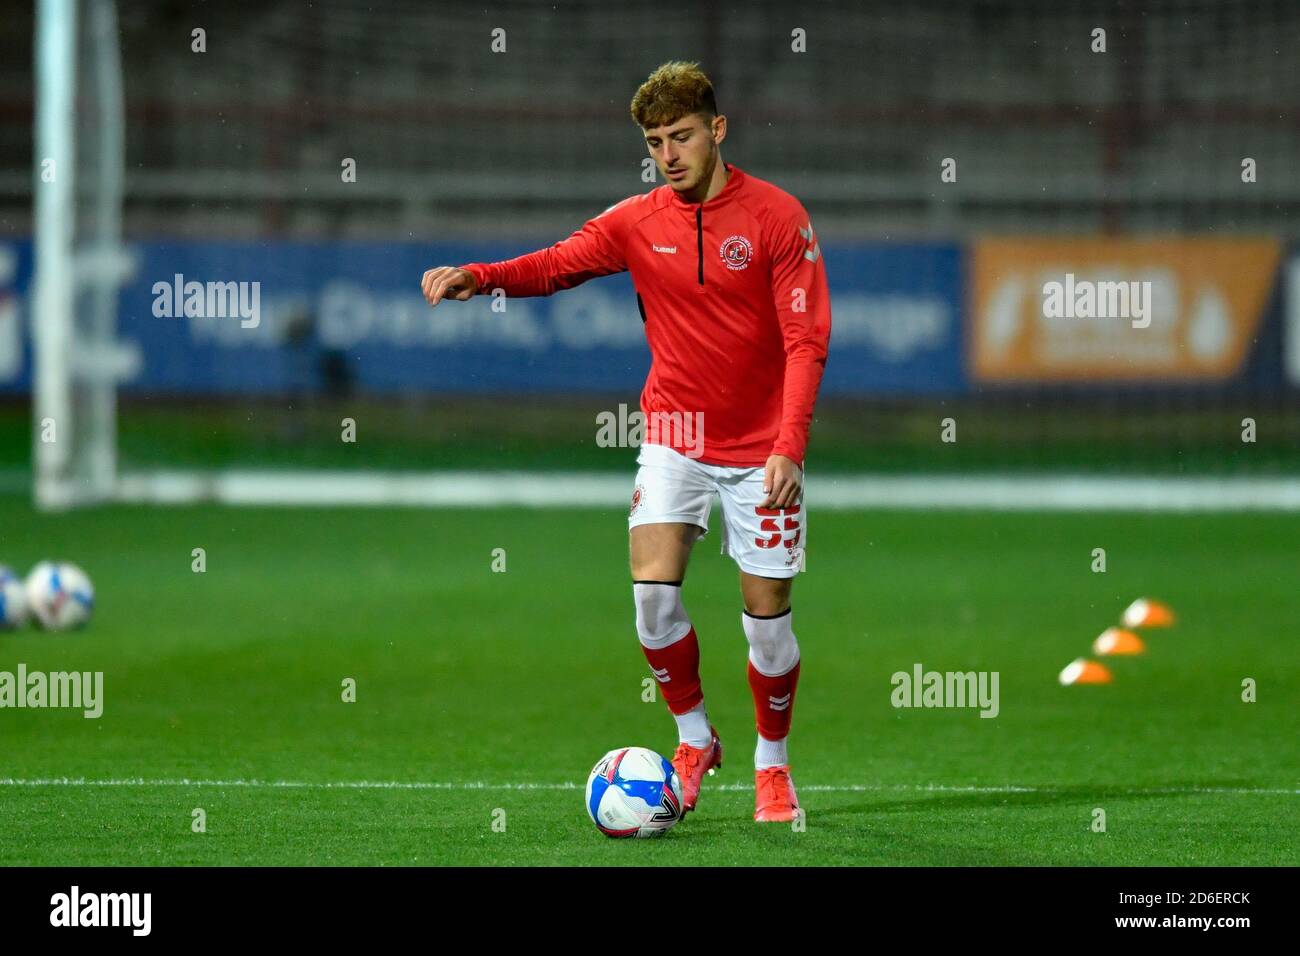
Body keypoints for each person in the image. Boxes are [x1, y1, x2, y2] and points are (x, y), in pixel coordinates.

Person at [421, 61, 831, 823]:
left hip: (760, 448)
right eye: (654, 142)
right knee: (651, 602)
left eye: (681, 136)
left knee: (766, 623)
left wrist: (789, 446)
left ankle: (771, 764)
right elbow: (556, 264)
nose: (668, 154)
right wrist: (482, 276)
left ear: (718, 129)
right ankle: (694, 738)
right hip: (674, 430)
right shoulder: (637, 221)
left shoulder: (778, 217)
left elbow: (807, 340)